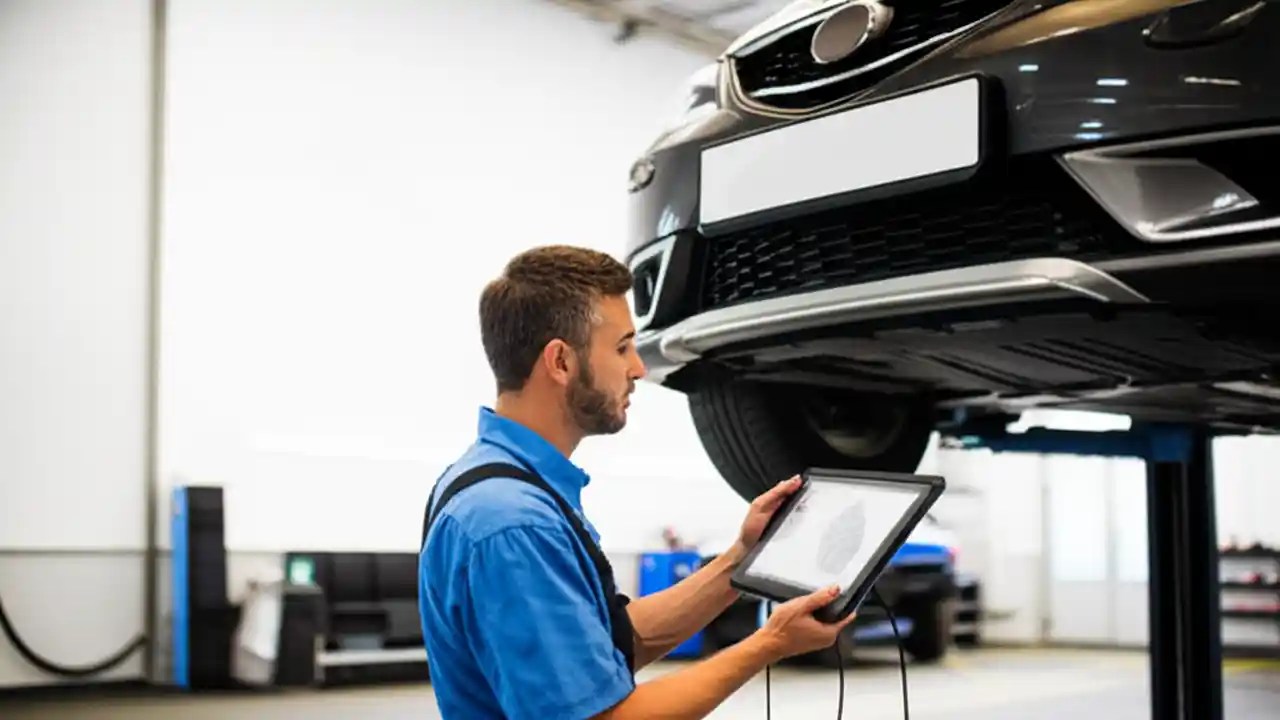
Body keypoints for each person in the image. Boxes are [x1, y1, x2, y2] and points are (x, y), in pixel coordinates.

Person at [417, 245, 856, 720]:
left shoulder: (494, 485)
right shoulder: (513, 522)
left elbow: (612, 642)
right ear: (560, 362)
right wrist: (768, 644)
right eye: (622, 347)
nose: (639, 369)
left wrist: (741, 559)